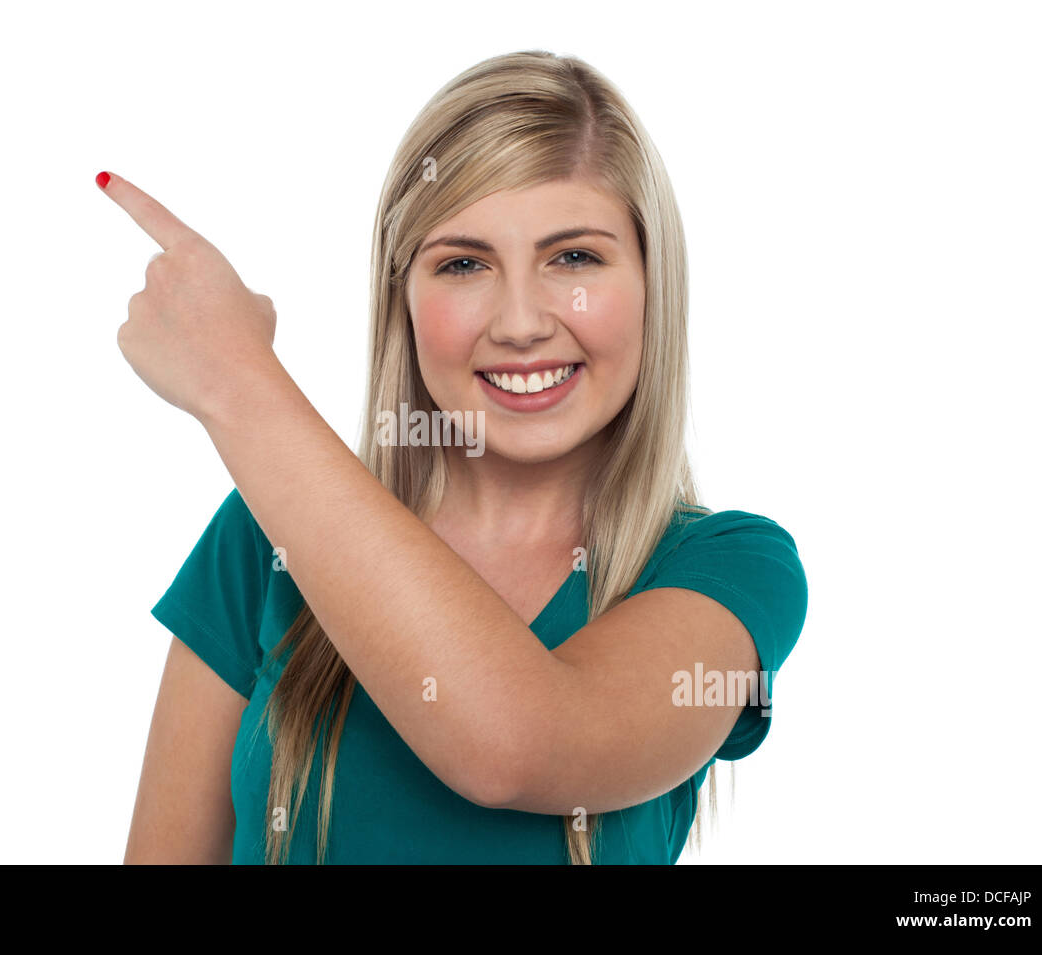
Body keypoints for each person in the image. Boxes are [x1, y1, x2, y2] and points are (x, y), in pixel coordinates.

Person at [113, 49, 808, 865]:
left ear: (654, 282)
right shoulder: (264, 533)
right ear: (400, 296)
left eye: (575, 257)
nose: (519, 322)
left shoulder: (731, 567)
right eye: (464, 264)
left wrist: (237, 382)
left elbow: (519, 746)